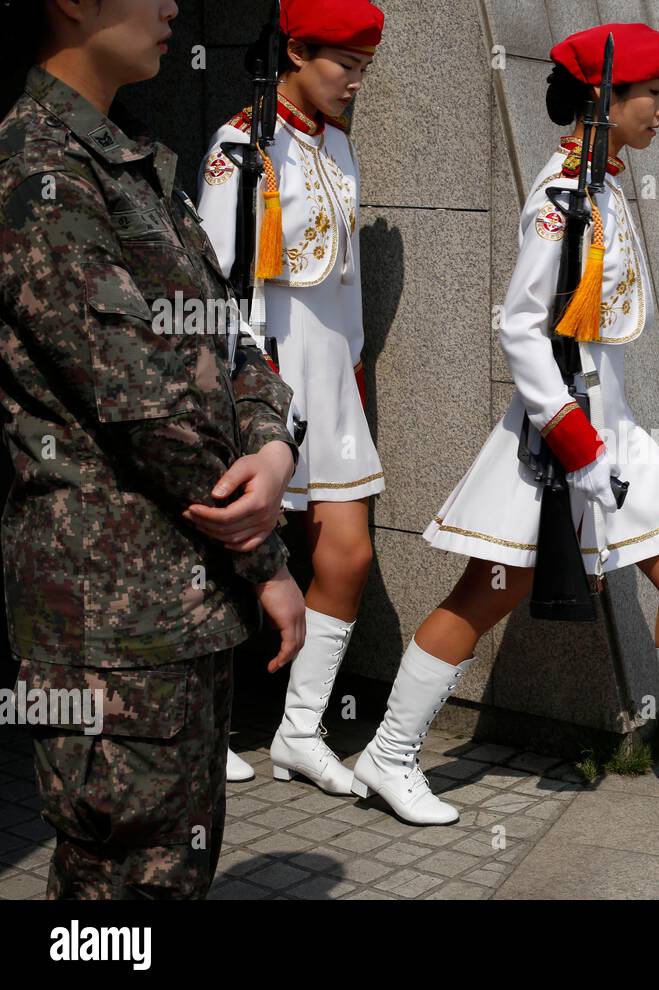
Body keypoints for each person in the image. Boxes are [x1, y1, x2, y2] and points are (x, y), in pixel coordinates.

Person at [349, 23, 659, 827]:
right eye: (649, 93)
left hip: (612, 424)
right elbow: (521, 330)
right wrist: (577, 444)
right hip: (559, 432)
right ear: (603, 100)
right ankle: (388, 754)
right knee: (486, 591)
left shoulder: (606, 182)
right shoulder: (561, 196)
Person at [0, 0, 304, 898]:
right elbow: (145, 404)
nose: (173, 4)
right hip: (111, 617)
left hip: (179, 600)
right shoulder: (38, 167)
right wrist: (268, 557)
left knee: (173, 869)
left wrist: (272, 446)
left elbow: (231, 338)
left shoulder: (130, 159)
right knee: (119, 887)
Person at [196, 0, 384, 792]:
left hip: (331, 378)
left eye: (364, 70)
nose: (353, 84)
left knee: (348, 554)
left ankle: (300, 731)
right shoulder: (241, 145)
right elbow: (212, 281)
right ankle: (202, 731)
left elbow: (345, 282)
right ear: (296, 53)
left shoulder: (336, 145)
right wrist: (239, 392)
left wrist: (355, 366)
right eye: (343, 65)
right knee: (230, 558)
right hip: (260, 376)